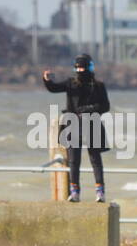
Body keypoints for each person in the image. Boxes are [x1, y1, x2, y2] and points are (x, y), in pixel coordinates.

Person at [42, 54, 110, 202]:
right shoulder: (70, 83)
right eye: (77, 67)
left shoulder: (98, 86)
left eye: (83, 67)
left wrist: (87, 110)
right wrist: (47, 80)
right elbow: (54, 88)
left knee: (95, 159)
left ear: (90, 67)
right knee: (74, 160)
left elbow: (105, 106)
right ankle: (75, 193)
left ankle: (100, 192)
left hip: (92, 123)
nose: (80, 70)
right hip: (73, 124)